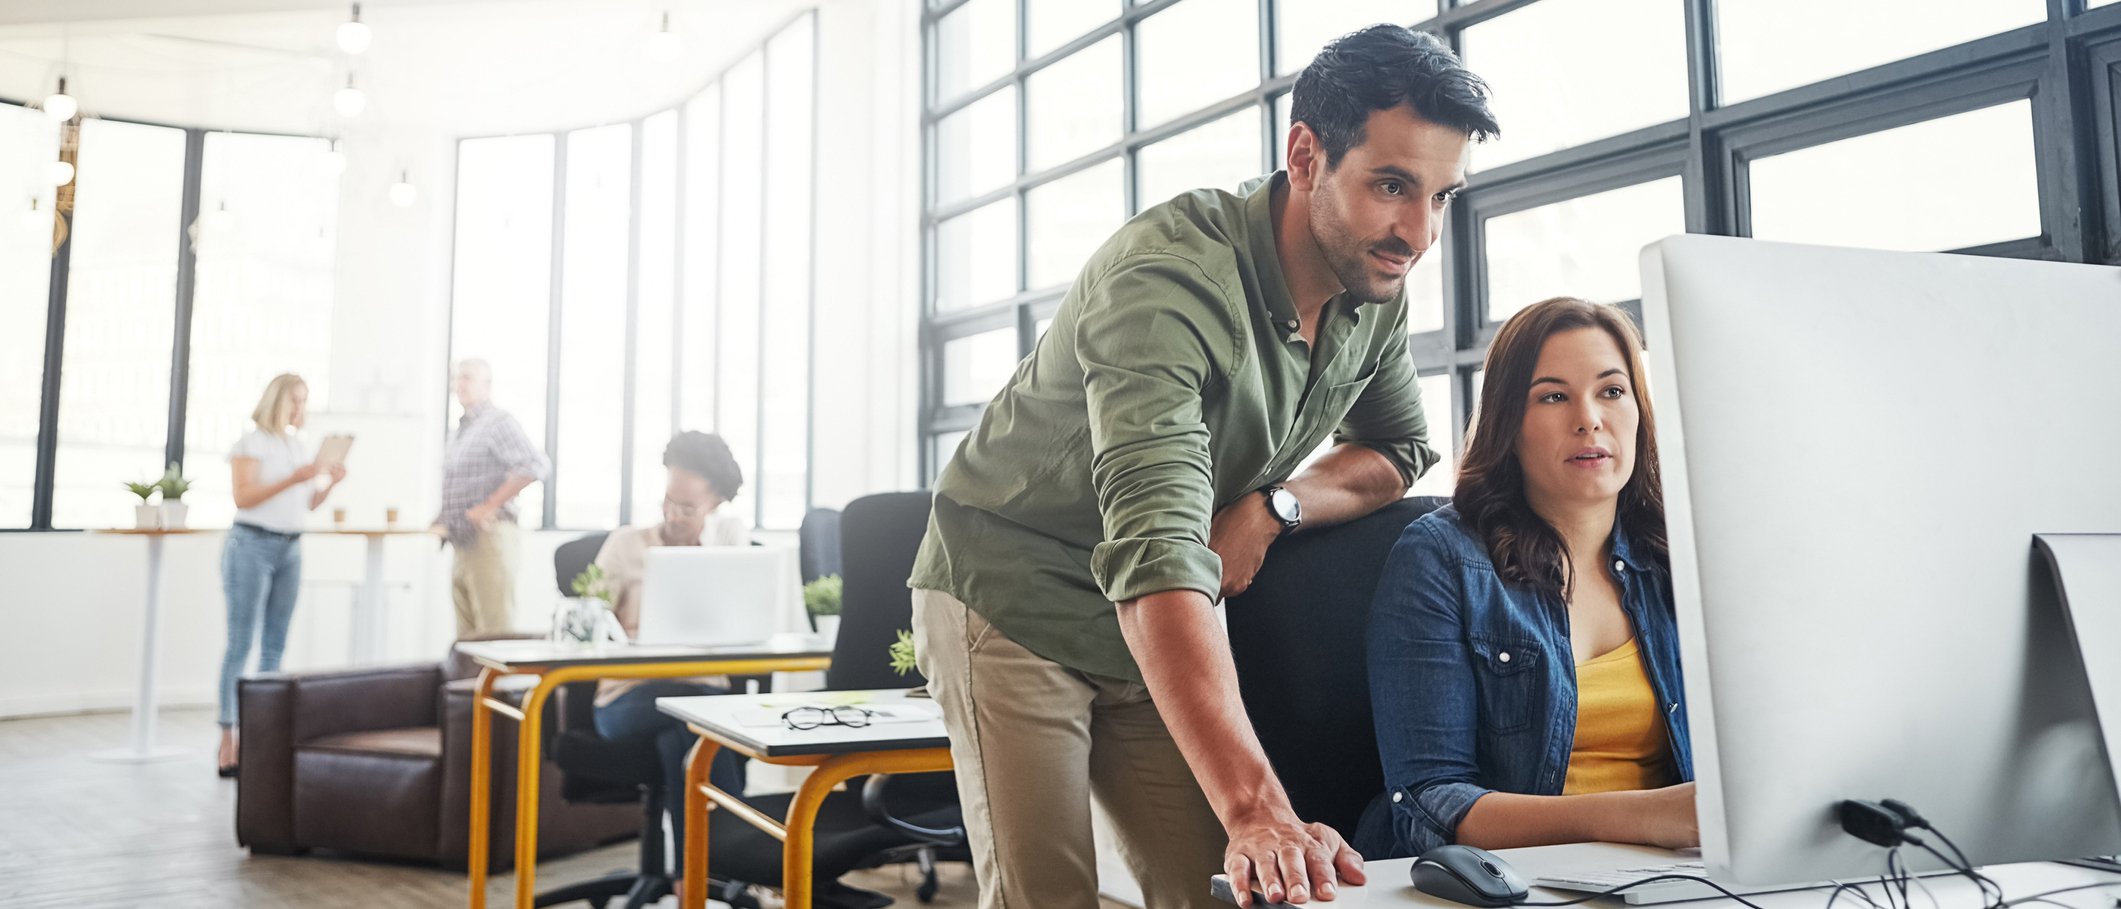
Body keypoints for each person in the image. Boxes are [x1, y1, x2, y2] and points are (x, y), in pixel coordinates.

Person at [906, 25, 1498, 909]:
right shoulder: (1166, 285)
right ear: (1304, 155)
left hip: (1161, 621)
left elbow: (1400, 450)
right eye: (1390, 185)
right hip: (1013, 593)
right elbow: (1158, 552)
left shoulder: (1369, 280)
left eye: (1441, 196)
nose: (1417, 232)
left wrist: (1274, 506)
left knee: (1225, 889)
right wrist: (1258, 803)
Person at [1355, 297, 1696, 860]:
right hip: (1509, 884)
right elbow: (1430, 801)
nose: (1589, 418)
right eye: (1554, 396)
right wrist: (1650, 816)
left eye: (1612, 391)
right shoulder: (1441, 557)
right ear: (1509, 423)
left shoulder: (1675, 556)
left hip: (1671, 873)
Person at [589, 431, 750, 866]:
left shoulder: (729, 548)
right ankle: (741, 863)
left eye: (688, 507)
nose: (673, 515)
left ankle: (689, 878)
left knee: (681, 732)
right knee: (693, 722)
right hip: (626, 697)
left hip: (702, 691)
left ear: (714, 503)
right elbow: (585, 623)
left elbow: (751, 623)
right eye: (668, 501)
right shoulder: (626, 545)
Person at [217, 373, 346, 776]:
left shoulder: (296, 445)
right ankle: (228, 741)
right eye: (295, 400)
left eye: (304, 401)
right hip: (250, 546)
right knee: (241, 644)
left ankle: (262, 737)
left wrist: (328, 484)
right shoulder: (250, 443)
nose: (299, 409)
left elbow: (304, 504)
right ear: (276, 400)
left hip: (291, 547)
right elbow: (244, 497)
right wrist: (295, 476)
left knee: (275, 645)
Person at [433, 358, 549, 637]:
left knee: (495, 635)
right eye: (458, 378)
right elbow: (461, 484)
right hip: (461, 543)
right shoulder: (460, 430)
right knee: (466, 639)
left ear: (487, 385)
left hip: (489, 539)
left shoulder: (497, 422)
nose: (461, 384)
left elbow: (536, 465)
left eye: (468, 378)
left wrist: (488, 507)